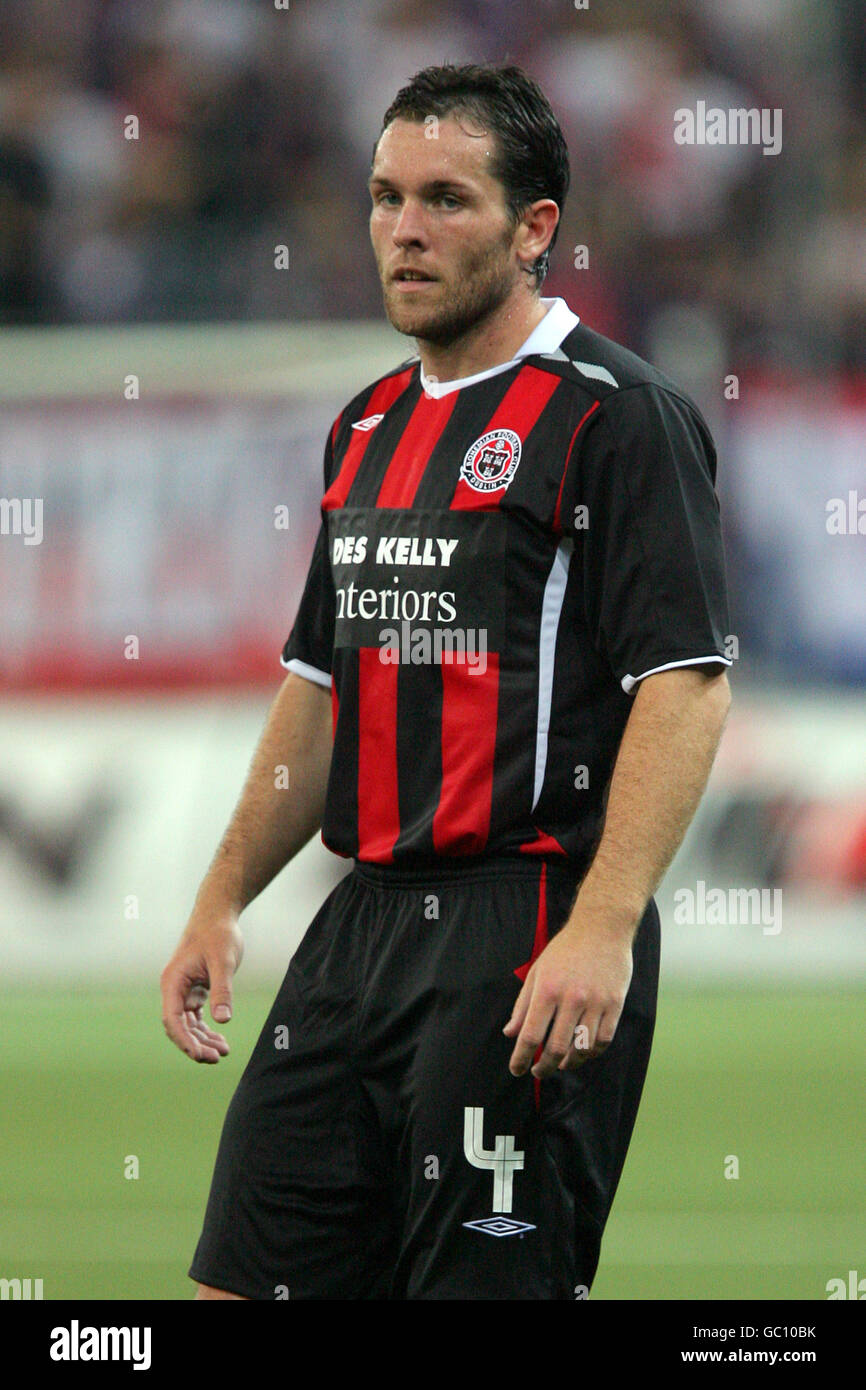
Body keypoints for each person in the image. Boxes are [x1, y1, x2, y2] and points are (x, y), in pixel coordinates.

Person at [160, 62, 732, 1300]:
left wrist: (602, 923)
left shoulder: (618, 418)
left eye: (444, 199)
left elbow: (683, 688)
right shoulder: (365, 426)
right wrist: (220, 899)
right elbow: (319, 690)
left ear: (535, 230)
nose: (403, 229)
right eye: (383, 196)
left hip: (520, 929)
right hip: (358, 927)